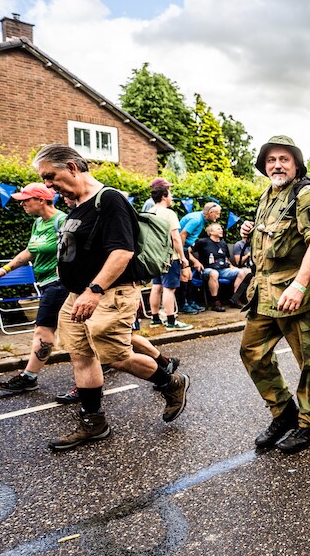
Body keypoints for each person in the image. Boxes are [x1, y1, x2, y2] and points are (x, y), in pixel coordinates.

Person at [33, 144, 190, 451]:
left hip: (109, 293)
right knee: (81, 355)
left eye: (50, 175)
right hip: (76, 295)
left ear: (72, 167)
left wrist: (94, 290)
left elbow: (123, 251)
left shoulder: (110, 199)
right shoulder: (76, 204)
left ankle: (171, 383)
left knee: (116, 357)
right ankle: (94, 423)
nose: (48, 183)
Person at [237, 135, 310, 454]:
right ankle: (284, 412)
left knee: (308, 361)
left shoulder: (307, 195)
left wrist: (300, 284)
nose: (277, 165)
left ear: (296, 164)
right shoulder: (267, 195)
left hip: (297, 297)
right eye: (271, 160)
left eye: (284, 159)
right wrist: (250, 231)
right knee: (251, 352)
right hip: (264, 295)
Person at [0, 183, 70, 393]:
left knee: (43, 330)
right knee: (76, 330)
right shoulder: (37, 224)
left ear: (41, 200)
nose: (22, 204)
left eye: (26, 200)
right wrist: (4, 270)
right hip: (45, 283)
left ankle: (29, 377)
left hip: (59, 283)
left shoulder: (61, 221)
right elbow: (30, 251)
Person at [148, 181, 193, 330]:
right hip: (169, 257)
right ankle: (171, 322)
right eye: (170, 194)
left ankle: (155, 319)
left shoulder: (149, 212)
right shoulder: (168, 213)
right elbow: (175, 238)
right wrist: (182, 256)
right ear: (164, 196)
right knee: (169, 289)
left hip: (154, 256)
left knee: (156, 286)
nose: (172, 197)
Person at [194, 222, 249, 312]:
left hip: (223, 269)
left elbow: (226, 258)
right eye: (218, 229)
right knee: (214, 273)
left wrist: (232, 266)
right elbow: (188, 251)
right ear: (211, 232)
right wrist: (196, 262)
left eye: (221, 228)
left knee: (241, 272)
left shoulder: (223, 244)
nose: (221, 230)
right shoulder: (203, 242)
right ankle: (215, 302)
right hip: (208, 269)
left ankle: (235, 299)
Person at [179, 202, 223, 313]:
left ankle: (190, 302)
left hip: (185, 249)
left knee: (188, 275)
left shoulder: (201, 219)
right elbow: (182, 235)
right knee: (184, 275)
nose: (218, 216)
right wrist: (181, 254)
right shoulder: (196, 219)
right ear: (210, 212)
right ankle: (183, 305)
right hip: (180, 249)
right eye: (217, 214)